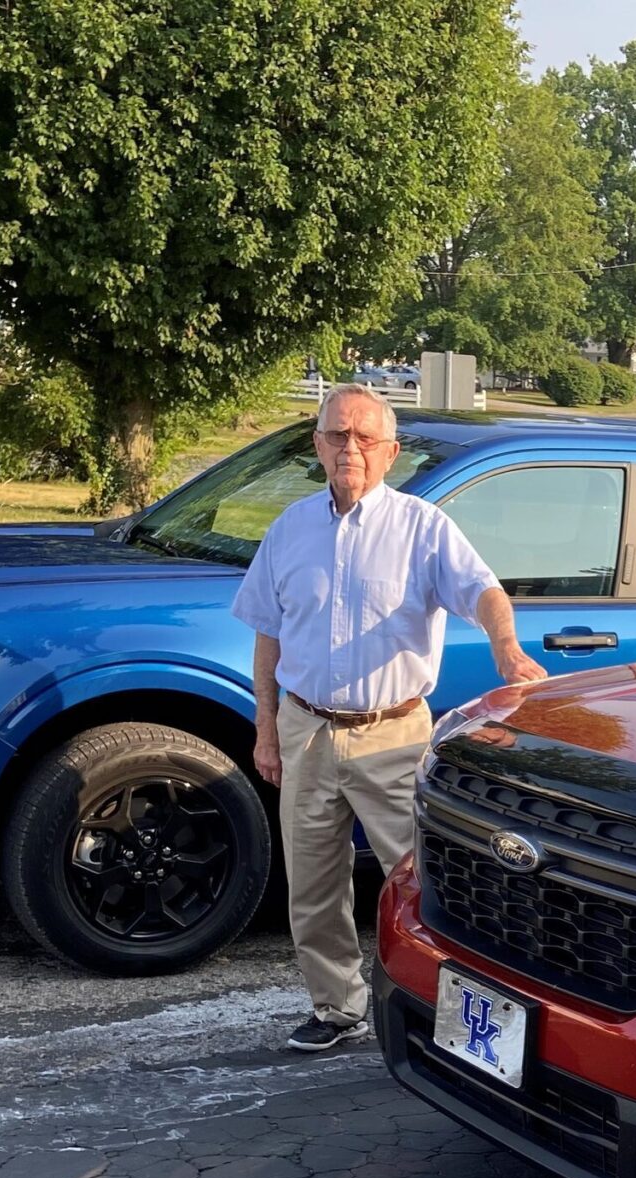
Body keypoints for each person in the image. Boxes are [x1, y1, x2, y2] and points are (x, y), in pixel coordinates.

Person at [233, 384, 545, 1052]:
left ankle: (439, 1010)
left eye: (365, 438)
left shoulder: (422, 527)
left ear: (391, 452)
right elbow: (267, 634)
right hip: (306, 729)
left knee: (423, 883)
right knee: (312, 884)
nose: (351, 448)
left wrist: (505, 645)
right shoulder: (289, 529)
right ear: (317, 445)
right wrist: (266, 727)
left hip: (393, 735)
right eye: (337, 435)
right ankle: (336, 1007)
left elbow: (484, 591)